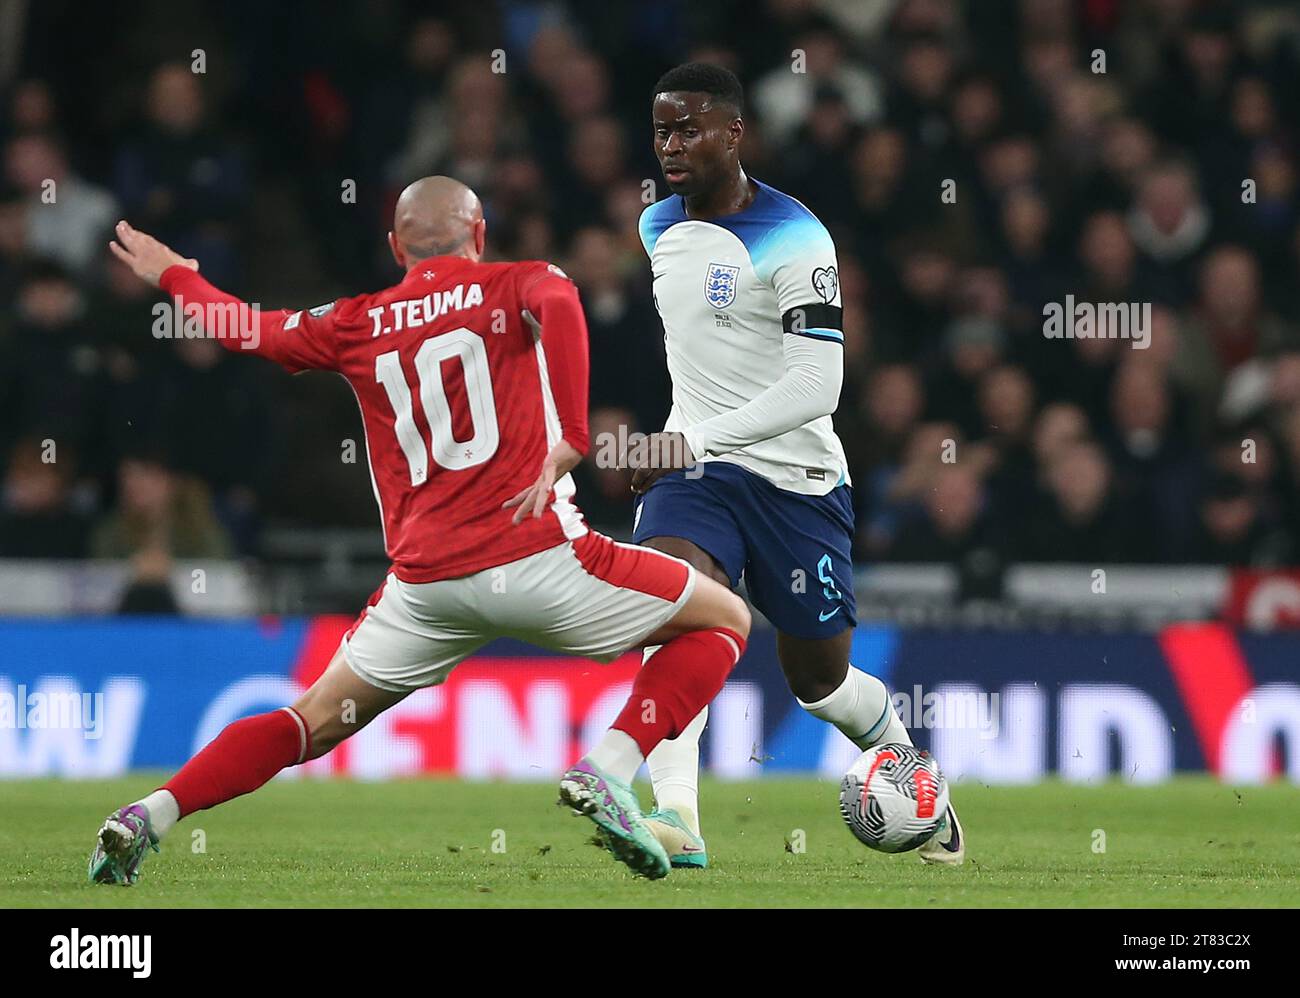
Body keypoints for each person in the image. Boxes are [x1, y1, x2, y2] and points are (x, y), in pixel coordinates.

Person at [88, 176, 750, 885]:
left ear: (396, 247)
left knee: (309, 721)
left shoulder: (357, 320)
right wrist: (577, 434)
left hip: (425, 587)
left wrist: (176, 275)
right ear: (481, 234)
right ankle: (611, 771)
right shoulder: (518, 282)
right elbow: (559, 301)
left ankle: (150, 814)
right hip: (539, 559)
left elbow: (245, 330)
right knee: (723, 620)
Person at [626, 64, 964, 866]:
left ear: (734, 133)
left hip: (795, 483)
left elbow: (819, 382)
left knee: (819, 682)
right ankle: (679, 819)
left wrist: (697, 440)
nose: (672, 146)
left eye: (689, 129)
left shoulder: (797, 234)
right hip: (698, 475)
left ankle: (911, 773)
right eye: (661, 131)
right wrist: (687, 444)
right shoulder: (655, 227)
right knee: (675, 605)